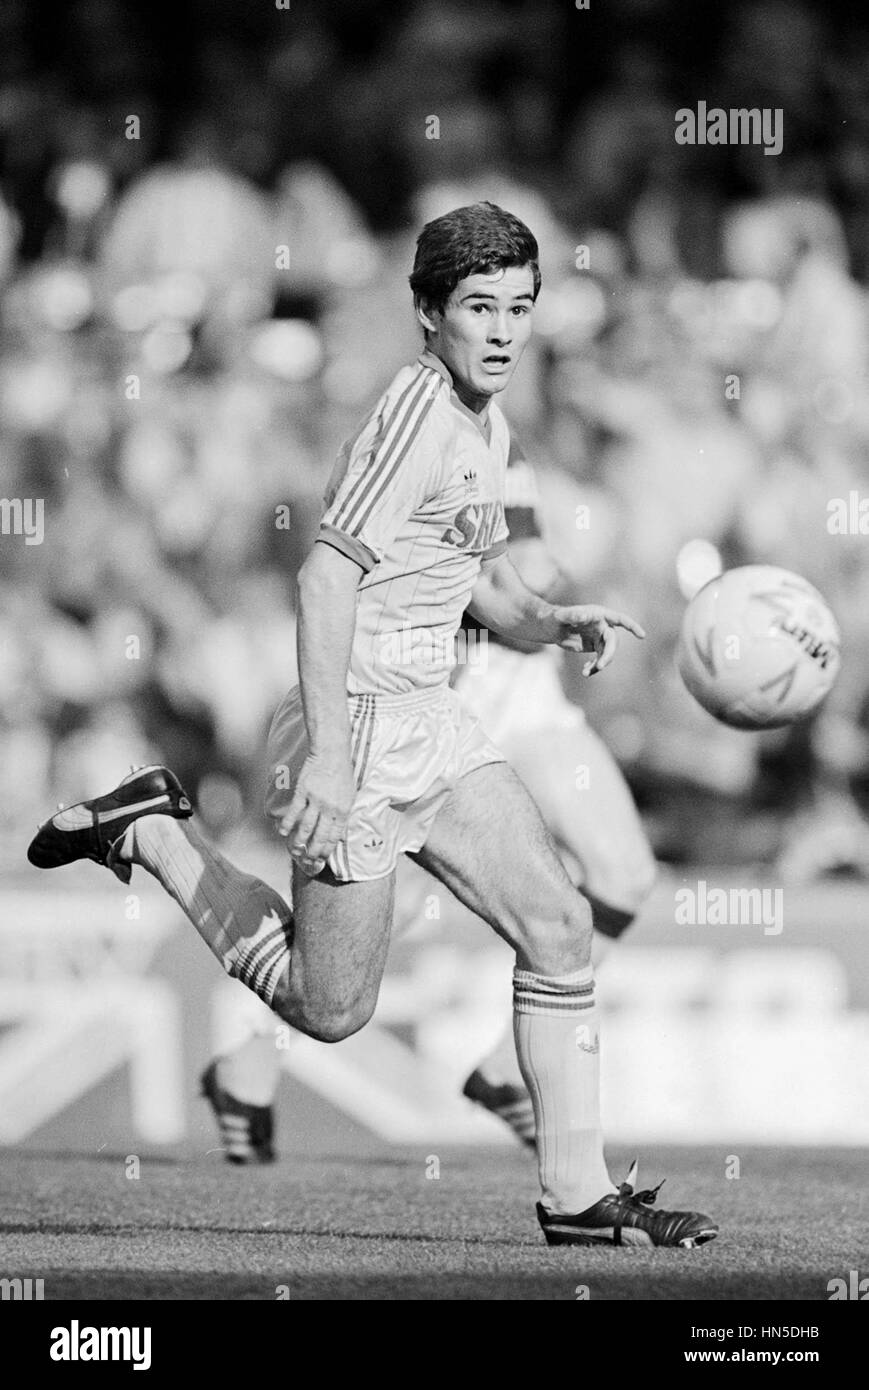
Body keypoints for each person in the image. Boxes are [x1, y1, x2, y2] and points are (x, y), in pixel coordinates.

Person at [29, 202, 716, 1248]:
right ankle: (154, 834)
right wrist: (335, 765)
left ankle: (574, 1197)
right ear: (427, 312)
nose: (501, 330)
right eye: (478, 307)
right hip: (350, 718)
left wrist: (542, 618)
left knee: (561, 927)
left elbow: (452, 573)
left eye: (518, 308)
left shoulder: (484, 422)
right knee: (327, 1006)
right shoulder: (419, 415)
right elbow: (323, 582)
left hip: (428, 715)